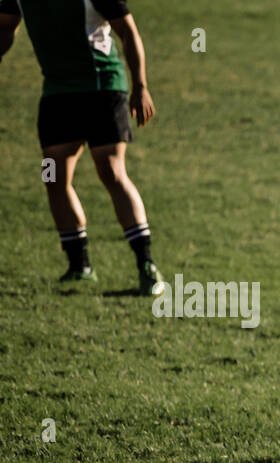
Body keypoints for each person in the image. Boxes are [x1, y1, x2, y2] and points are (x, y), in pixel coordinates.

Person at [0, 0, 164, 295]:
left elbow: (128, 31)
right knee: (52, 176)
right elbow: (5, 26)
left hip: (103, 89)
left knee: (112, 171)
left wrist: (140, 86)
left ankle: (147, 265)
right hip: (58, 95)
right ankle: (80, 266)